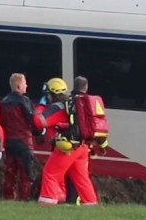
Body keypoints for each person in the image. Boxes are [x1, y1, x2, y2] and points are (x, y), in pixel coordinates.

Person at [33, 77, 82, 206]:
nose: (47, 97)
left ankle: (47, 201)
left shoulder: (58, 107)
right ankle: (89, 203)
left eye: (47, 94)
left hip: (66, 146)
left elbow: (39, 122)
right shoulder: (73, 105)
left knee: (50, 173)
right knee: (80, 178)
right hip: (80, 146)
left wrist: (41, 106)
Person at [0, 73, 37, 201]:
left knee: (10, 174)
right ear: (19, 86)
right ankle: (25, 199)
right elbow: (33, 120)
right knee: (26, 174)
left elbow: (1, 123)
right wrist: (39, 133)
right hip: (24, 143)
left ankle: (8, 198)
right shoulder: (25, 101)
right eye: (25, 83)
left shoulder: (3, 102)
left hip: (10, 142)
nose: (27, 85)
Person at [64, 76, 102, 206]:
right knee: (83, 176)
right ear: (86, 87)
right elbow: (98, 124)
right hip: (86, 145)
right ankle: (89, 201)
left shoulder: (68, 101)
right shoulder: (91, 103)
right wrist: (102, 145)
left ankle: (72, 200)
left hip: (69, 144)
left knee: (71, 175)